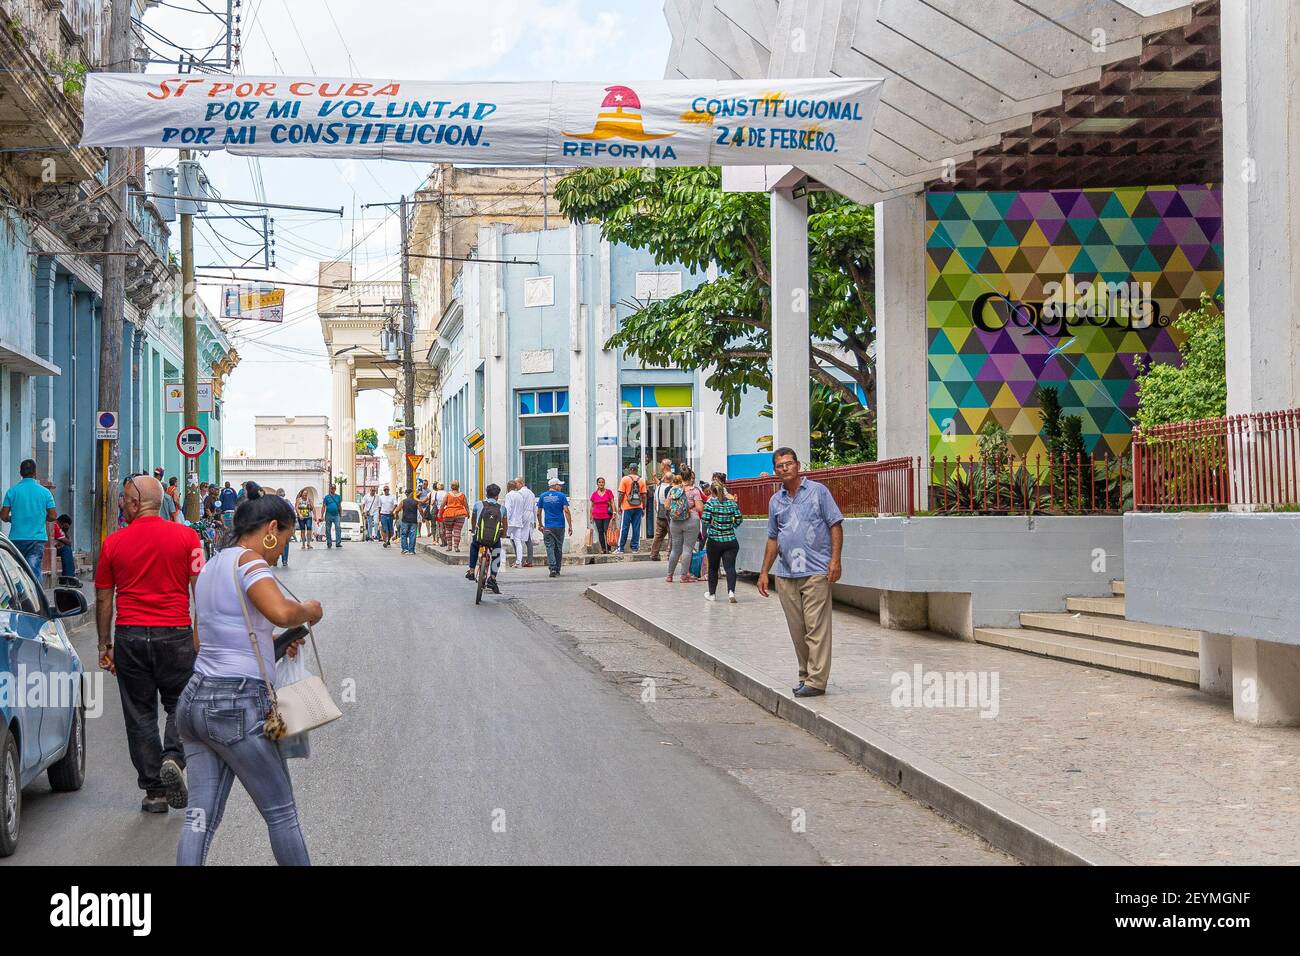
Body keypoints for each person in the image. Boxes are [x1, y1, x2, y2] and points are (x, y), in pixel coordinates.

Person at [177, 482, 321, 865]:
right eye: (285, 539)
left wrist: (273, 642)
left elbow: (202, 638)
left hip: (195, 701)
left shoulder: (212, 565)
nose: (283, 550)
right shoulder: (251, 562)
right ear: (271, 529)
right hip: (235, 704)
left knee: (198, 819)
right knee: (281, 813)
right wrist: (309, 609)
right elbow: (282, 611)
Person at [95, 475, 201, 813]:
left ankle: (155, 791)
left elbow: (103, 599)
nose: (121, 506)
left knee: (140, 714)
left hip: (130, 636)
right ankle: (173, 756)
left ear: (135, 501)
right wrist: (201, 633)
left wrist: (104, 645)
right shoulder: (189, 537)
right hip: (176, 633)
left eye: (124, 500)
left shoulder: (113, 543)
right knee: (182, 703)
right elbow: (203, 590)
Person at [757, 447, 844, 699]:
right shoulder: (776, 501)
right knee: (798, 630)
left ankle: (817, 681)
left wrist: (835, 561)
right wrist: (765, 571)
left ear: (798, 466)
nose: (784, 468)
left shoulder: (818, 492)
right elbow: (773, 538)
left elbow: (835, 525)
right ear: (775, 470)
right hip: (786, 573)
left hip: (816, 569)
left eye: (788, 464)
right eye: (779, 466)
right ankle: (805, 675)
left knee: (816, 627)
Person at [1, 458, 57, 581]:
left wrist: (13, 519)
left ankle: (20, 598)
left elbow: (4, 516)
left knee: (17, 572)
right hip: (37, 539)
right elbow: (53, 516)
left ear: (20, 473)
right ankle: (37, 598)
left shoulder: (12, 491)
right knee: (34, 571)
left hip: (16, 539)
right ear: (35, 473)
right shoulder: (45, 492)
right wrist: (41, 517)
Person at [702, 477, 744, 603]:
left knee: (713, 568)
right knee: (730, 567)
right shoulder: (732, 503)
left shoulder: (710, 503)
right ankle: (731, 592)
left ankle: (712, 594)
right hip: (730, 540)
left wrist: (711, 526)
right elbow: (739, 519)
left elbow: (705, 520)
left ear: (712, 491)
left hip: (714, 540)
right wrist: (732, 526)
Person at [465, 484, 506, 593]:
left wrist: (474, 530)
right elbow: (504, 525)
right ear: (497, 496)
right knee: (497, 553)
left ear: (486, 494)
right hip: (494, 540)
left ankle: (471, 570)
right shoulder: (502, 508)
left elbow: (473, 520)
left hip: (480, 537)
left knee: (474, 546)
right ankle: (492, 578)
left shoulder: (478, 505)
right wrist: (503, 535)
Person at [664, 471, 703, 583]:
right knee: (687, 549)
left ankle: (669, 575)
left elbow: (666, 506)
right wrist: (690, 508)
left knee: (675, 549)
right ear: (691, 478)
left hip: (675, 521)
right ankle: (683, 576)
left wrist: (677, 511)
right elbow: (700, 508)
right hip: (691, 521)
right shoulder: (694, 491)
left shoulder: (673, 489)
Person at [535, 477, 571, 577]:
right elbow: (566, 511)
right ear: (555, 486)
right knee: (558, 548)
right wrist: (570, 526)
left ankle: (552, 568)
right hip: (560, 526)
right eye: (559, 485)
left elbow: (538, 512)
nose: (561, 486)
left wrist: (540, 524)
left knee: (549, 547)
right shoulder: (562, 496)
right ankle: (558, 569)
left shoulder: (542, 496)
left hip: (548, 526)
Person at [615, 464, 646, 554]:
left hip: (627, 506)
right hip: (638, 507)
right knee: (636, 528)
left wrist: (619, 506)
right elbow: (644, 495)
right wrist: (643, 507)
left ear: (630, 469)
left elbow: (621, 494)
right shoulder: (641, 480)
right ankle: (635, 548)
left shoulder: (625, 479)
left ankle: (620, 548)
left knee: (624, 527)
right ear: (637, 470)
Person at [505, 475, 535, 567]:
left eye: (516, 483)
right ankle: (527, 560)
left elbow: (513, 508)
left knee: (514, 539)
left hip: (521, 517)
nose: (515, 485)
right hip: (530, 516)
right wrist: (535, 521)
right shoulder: (531, 493)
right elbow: (534, 507)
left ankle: (519, 559)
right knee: (527, 539)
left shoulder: (520, 493)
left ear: (521, 483)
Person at [650, 458, 674, 560]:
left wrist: (657, 510)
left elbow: (655, 501)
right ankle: (670, 555)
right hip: (669, 514)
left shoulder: (659, 487)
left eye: (661, 465)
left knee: (658, 535)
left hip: (660, 514)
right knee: (672, 535)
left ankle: (654, 554)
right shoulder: (671, 487)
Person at [589, 477, 616, 554]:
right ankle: (603, 549)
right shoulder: (594, 494)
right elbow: (592, 506)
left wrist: (614, 513)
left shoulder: (608, 492)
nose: (601, 484)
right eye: (599, 482)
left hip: (607, 515)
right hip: (597, 516)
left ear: (604, 483)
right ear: (597, 484)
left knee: (606, 531)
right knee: (600, 532)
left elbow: (612, 502)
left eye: (602, 482)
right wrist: (591, 516)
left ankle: (609, 548)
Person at [53, 513, 79, 588]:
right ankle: (68, 577)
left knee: (67, 548)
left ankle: (69, 576)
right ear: (64, 523)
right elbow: (68, 542)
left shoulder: (57, 526)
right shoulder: (56, 525)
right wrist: (66, 531)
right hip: (50, 549)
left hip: (54, 547)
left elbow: (66, 541)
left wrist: (65, 532)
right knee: (67, 549)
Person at [441, 481, 469, 551]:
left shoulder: (448, 495)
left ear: (451, 486)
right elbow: (466, 505)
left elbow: (443, 504)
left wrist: (440, 513)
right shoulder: (462, 495)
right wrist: (468, 512)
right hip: (460, 514)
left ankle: (449, 547)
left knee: (448, 530)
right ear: (458, 486)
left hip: (449, 513)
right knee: (457, 531)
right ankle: (456, 547)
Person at [398, 488, 420, 554]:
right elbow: (420, 510)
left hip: (405, 520)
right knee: (412, 535)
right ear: (411, 493)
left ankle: (405, 549)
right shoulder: (416, 502)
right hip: (413, 521)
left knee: (404, 535)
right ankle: (411, 550)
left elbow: (397, 510)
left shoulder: (403, 501)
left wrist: (396, 515)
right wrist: (423, 517)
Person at [322, 484, 343, 549]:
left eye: (334, 488)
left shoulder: (338, 497)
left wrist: (341, 513)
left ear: (335, 489)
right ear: (330, 489)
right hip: (328, 514)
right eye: (331, 488)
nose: (333, 489)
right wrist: (321, 515)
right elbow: (323, 506)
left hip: (336, 515)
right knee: (328, 529)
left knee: (338, 527)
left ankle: (338, 543)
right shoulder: (326, 497)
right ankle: (329, 543)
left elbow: (339, 505)